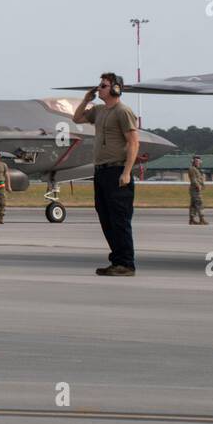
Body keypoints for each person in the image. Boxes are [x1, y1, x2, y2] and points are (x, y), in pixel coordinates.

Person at [72, 73, 140, 276]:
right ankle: (117, 261)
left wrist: (127, 172)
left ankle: (127, 264)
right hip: (101, 171)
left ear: (116, 89)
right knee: (106, 218)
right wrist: (86, 100)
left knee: (119, 219)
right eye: (99, 85)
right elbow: (76, 118)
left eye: (103, 85)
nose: (99, 88)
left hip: (117, 170)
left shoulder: (123, 111)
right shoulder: (99, 110)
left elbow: (133, 142)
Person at [188, 155, 209, 226]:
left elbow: (199, 178)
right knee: (199, 203)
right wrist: (198, 186)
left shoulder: (197, 169)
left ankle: (192, 219)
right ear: (193, 162)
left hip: (196, 188)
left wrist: (202, 185)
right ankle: (201, 219)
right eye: (196, 161)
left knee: (193, 205)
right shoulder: (192, 169)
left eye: (199, 161)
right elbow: (193, 179)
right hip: (195, 189)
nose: (198, 162)